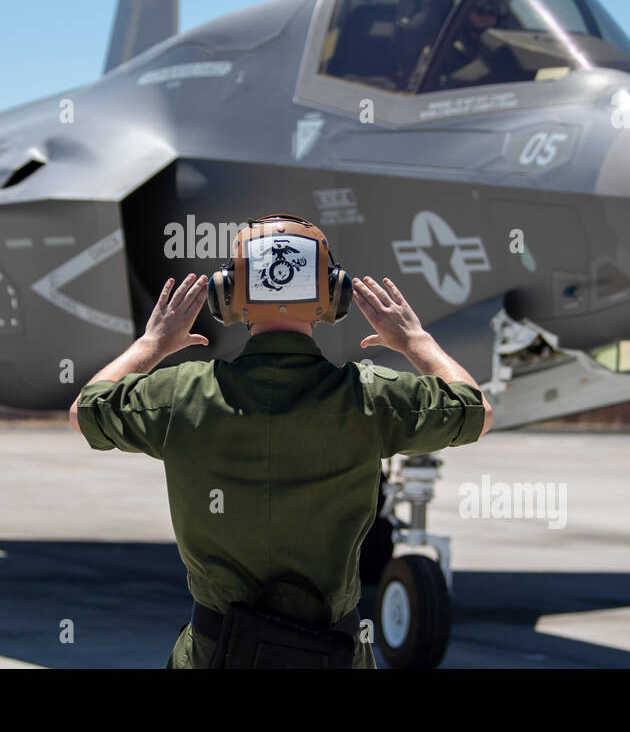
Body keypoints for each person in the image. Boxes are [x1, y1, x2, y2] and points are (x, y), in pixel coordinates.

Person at [68, 214, 492, 668]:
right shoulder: (370, 397)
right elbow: (475, 411)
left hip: (214, 654)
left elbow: (86, 411)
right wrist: (414, 341)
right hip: (332, 653)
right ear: (335, 297)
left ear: (226, 297)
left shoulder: (181, 395)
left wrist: (152, 344)